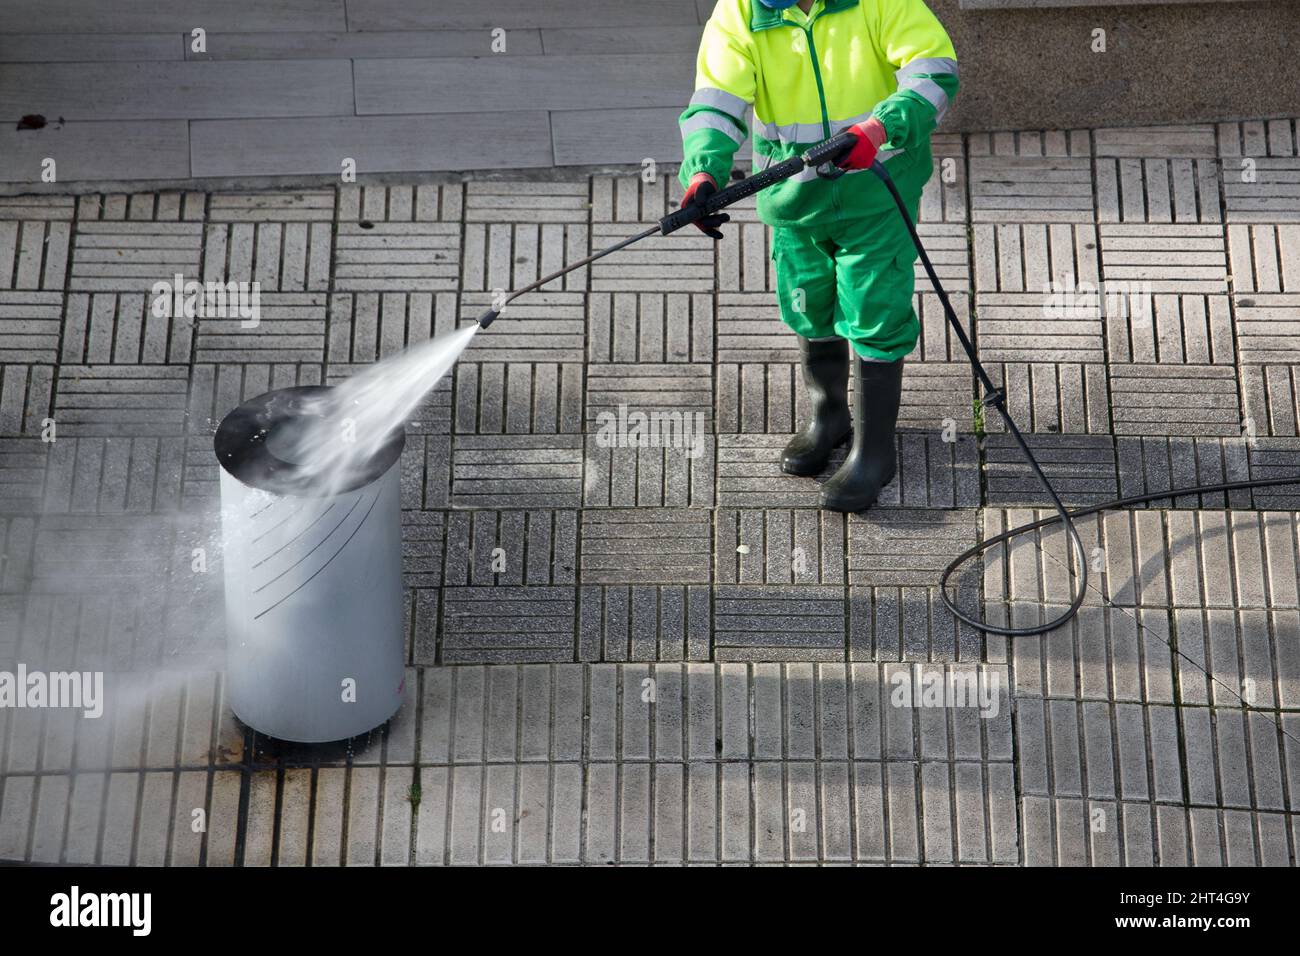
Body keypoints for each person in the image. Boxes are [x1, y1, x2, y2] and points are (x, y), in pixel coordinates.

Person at [677, 0, 958, 511]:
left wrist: (881, 127)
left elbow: (933, 69)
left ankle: (874, 452)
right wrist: (704, 172)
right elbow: (716, 101)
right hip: (795, 201)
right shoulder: (741, 12)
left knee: (874, 309)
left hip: (877, 192)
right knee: (808, 304)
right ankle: (829, 416)